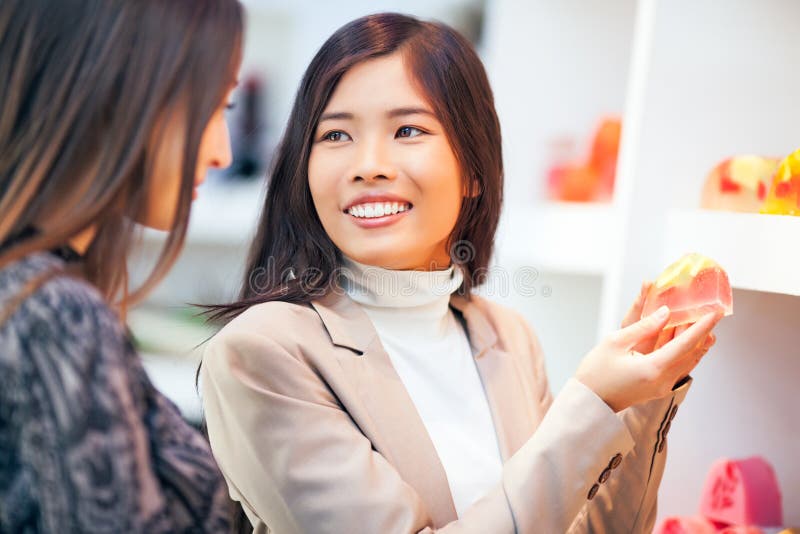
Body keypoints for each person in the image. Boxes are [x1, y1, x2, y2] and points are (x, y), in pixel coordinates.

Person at [200, 13, 722, 533]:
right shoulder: (262, 352)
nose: (368, 165)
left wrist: (641, 400)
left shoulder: (507, 337)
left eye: (407, 130)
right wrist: (593, 402)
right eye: (336, 134)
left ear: (473, 169)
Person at [0, 0, 243, 531]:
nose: (222, 153)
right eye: (214, 107)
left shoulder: (40, 295)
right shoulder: (57, 315)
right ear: (120, 91)